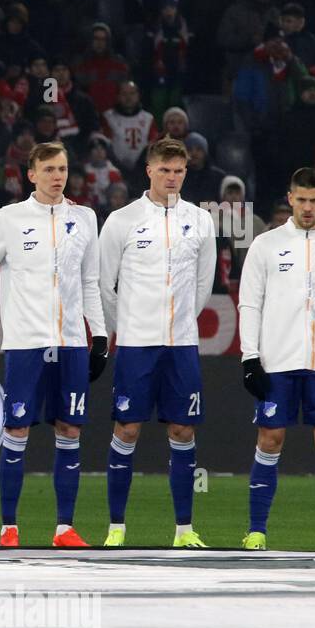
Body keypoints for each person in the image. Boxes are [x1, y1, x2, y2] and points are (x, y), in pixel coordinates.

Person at [0, 142, 107, 548]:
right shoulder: (9, 219)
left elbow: (89, 282)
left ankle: (64, 528)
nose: (57, 176)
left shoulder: (84, 218)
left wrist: (98, 336)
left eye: (62, 168)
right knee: (16, 430)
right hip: (26, 344)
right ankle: (8, 528)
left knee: (70, 429)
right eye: (48, 169)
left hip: (69, 343)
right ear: (30, 174)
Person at [238, 167, 315, 552]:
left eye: (314, 200)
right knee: (270, 438)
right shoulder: (265, 245)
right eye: (301, 199)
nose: (307, 207)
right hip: (277, 360)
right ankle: (257, 530)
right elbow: (249, 302)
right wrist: (250, 357)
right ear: (290, 199)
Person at [99, 137, 216, 547]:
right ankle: (116, 527)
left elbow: (204, 282)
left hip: (181, 344)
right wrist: (125, 326)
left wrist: (181, 321)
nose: (172, 177)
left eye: (179, 171)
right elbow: (103, 283)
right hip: (135, 344)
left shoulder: (201, 221)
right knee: (128, 428)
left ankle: (184, 530)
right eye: (164, 170)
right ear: (149, 170)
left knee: (183, 431)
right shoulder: (121, 220)